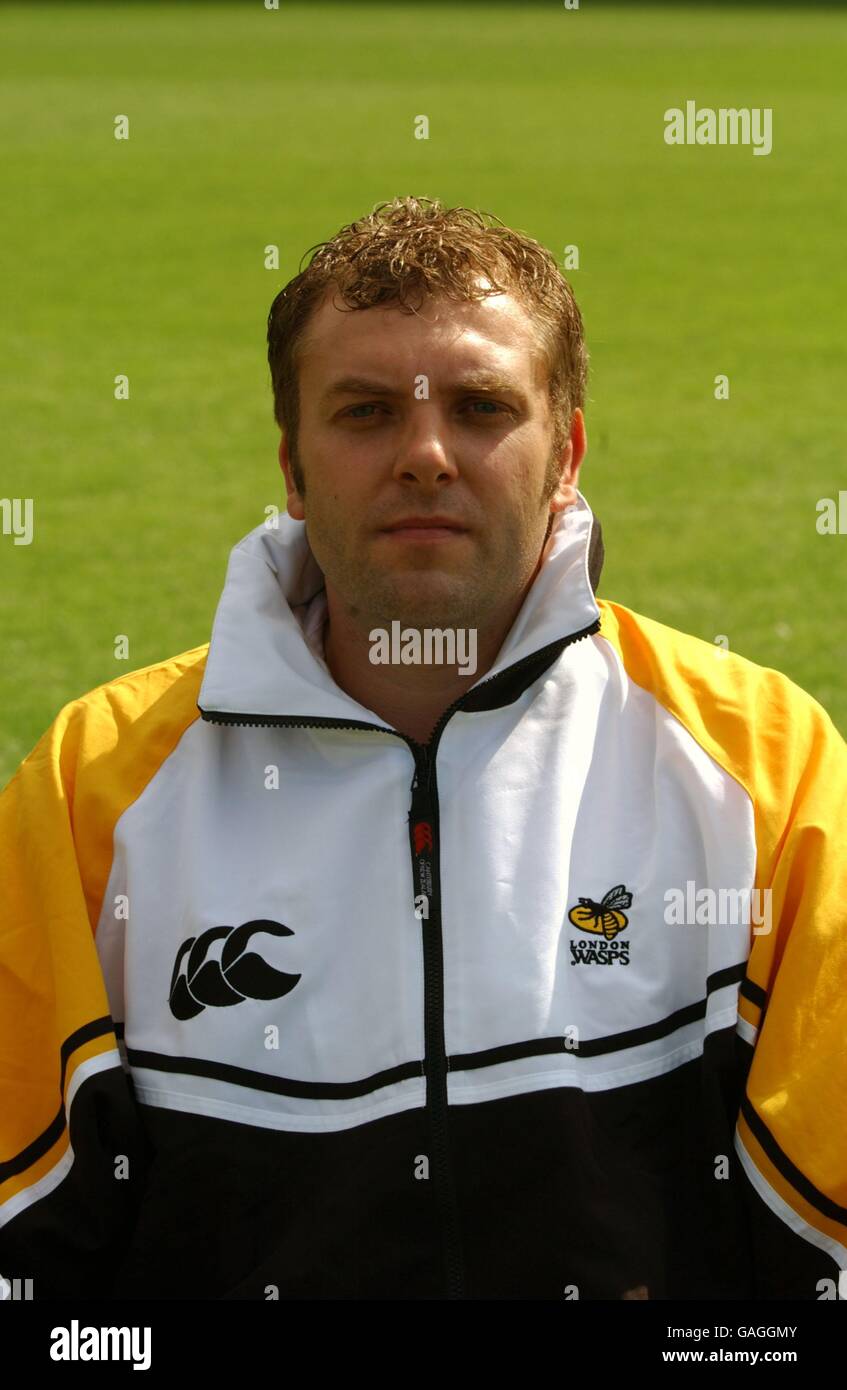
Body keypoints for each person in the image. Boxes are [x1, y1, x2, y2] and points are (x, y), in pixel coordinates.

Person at [1, 196, 845, 1301]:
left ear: (568, 453)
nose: (426, 455)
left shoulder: (765, 767)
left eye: (482, 406)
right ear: (292, 469)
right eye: (362, 413)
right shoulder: (89, 788)